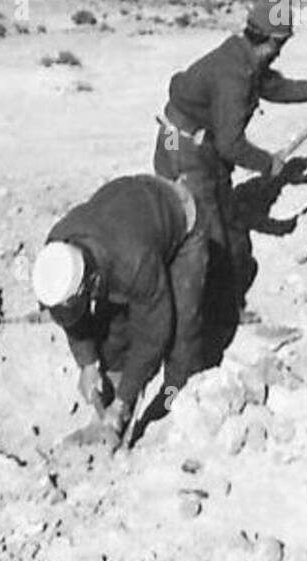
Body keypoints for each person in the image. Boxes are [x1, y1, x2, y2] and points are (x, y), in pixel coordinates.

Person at [153, 0, 307, 325]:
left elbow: (275, 88)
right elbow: (231, 144)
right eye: (281, 45)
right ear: (271, 42)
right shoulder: (235, 75)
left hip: (177, 137)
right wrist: (267, 163)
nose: (279, 52)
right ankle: (217, 316)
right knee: (207, 234)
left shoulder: (242, 56)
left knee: (204, 217)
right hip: (182, 147)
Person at [32, 173, 206, 453]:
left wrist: (124, 400)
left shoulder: (134, 263)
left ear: (90, 281)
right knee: (111, 330)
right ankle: (107, 416)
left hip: (181, 217)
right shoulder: (59, 250)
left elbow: (153, 335)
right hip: (127, 213)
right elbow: (72, 317)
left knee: (181, 336)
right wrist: (88, 363)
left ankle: (169, 403)